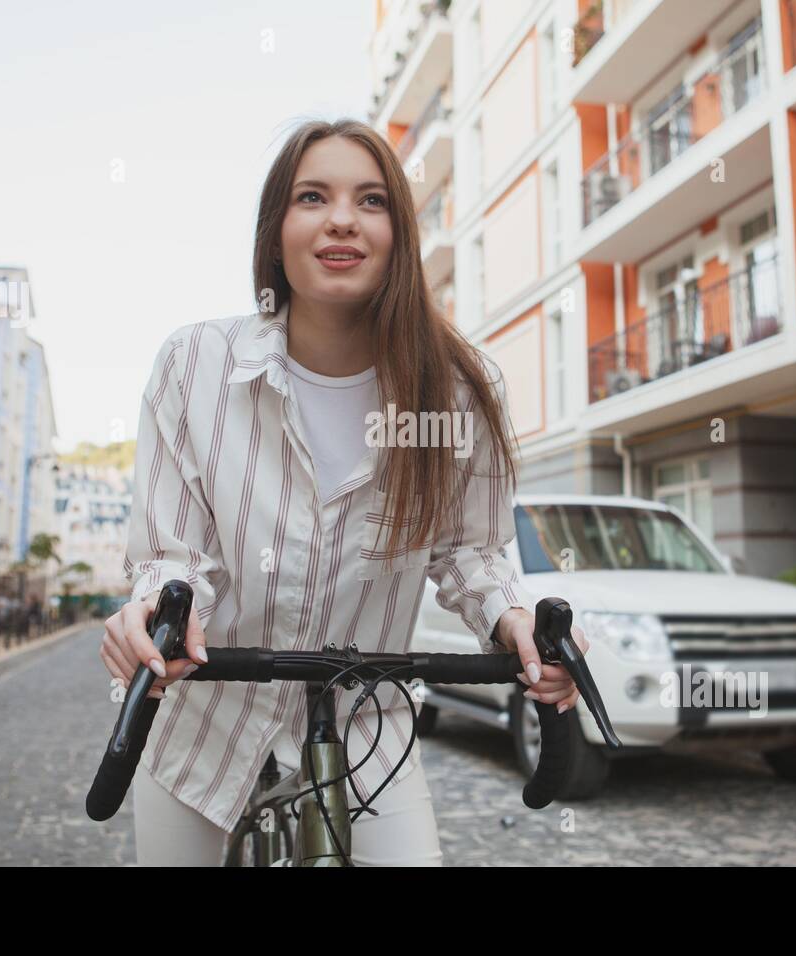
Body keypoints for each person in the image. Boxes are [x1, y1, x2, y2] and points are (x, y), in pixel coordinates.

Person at [101, 119, 590, 867]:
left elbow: (470, 553)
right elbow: (176, 555)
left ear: (398, 233)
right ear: (277, 230)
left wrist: (514, 624)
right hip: (207, 723)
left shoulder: (458, 391)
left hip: (370, 730)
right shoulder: (193, 365)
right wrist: (156, 615)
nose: (340, 219)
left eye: (370, 200)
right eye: (311, 197)